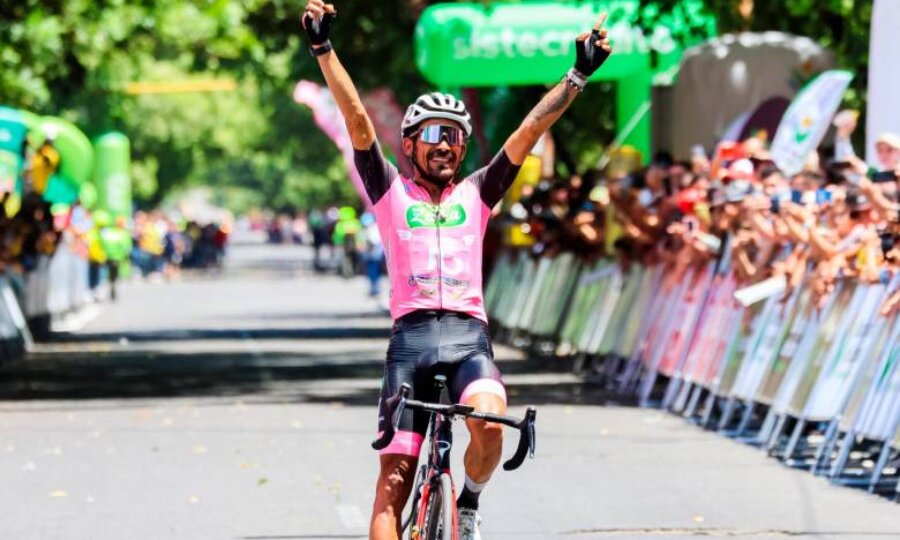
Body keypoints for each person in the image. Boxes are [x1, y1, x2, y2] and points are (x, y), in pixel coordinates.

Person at [300, 2, 612, 538]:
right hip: (412, 342)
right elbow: (355, 119)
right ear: (411, 144)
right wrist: (324, 50)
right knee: (394, 481)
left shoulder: (478, 193)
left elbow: (530, 130)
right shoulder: (390, 191)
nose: (445, 144)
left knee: (490, 422)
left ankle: (467, 501)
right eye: (434, 134)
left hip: (469, 339)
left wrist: (577, 75)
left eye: (455, 136)